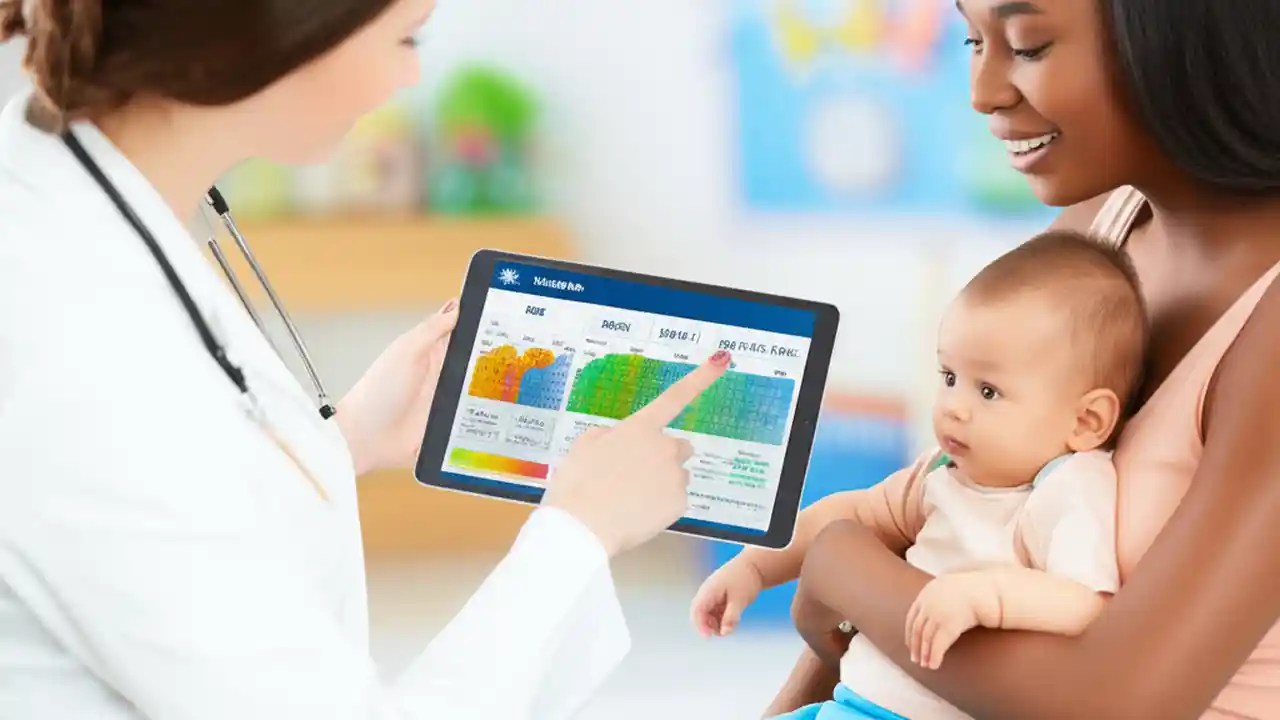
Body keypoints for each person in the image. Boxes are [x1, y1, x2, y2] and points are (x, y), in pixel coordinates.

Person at [0, 1, 731, 717]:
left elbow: (166, 530)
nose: (408, 80)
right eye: (408, 39)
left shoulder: (82, 208)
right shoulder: (73, 340)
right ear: (278, 33)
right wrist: (581, 529)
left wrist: (341, 442)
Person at [768, 1, 1280, 718]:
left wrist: (842, 568)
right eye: (975, 41)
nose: (983, 91)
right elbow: (952, 524)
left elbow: (1116, 704)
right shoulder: (1101, 223)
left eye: (1028, 46)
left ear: (1182, 34)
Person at [693, 232, 1147, 719]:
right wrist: (754, 568)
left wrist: (985, 597)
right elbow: (849, 514)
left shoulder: (1068, 487)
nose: (954, 407)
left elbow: (1086, 602)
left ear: (1086, 422)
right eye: (949, 377)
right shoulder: (944, 472)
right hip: (854, 701)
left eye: (988, 391)